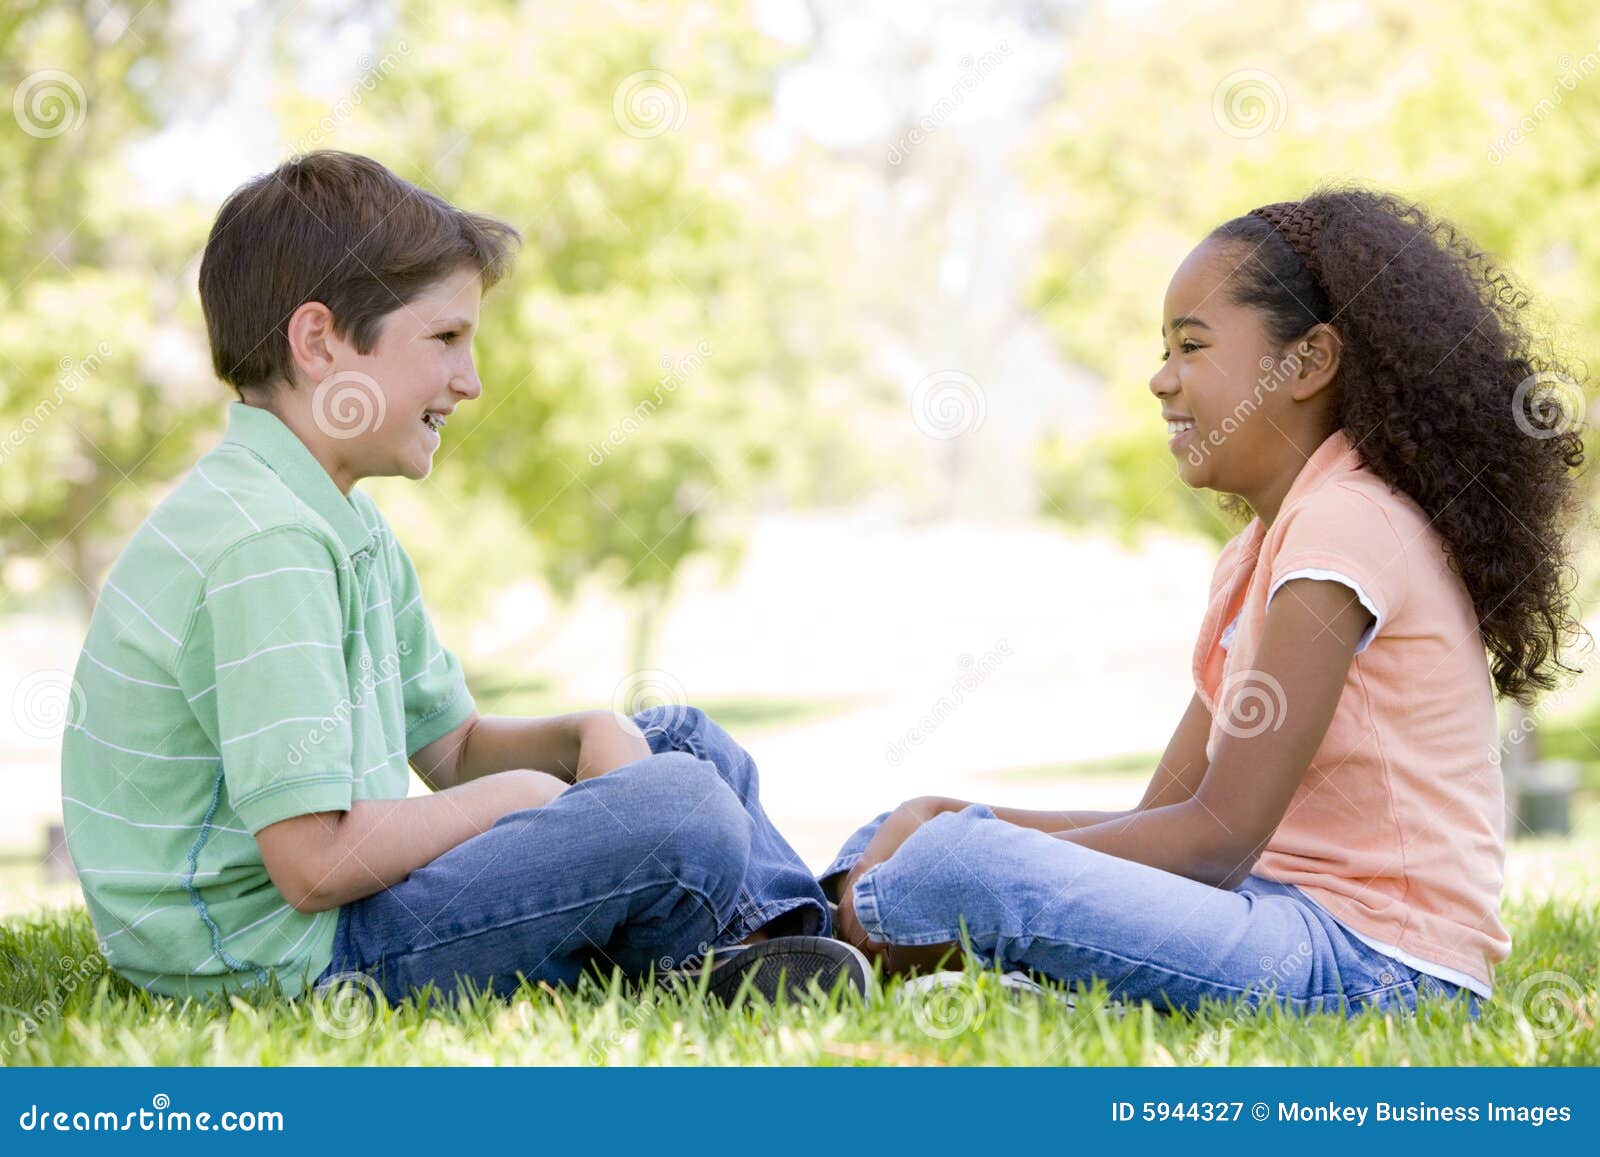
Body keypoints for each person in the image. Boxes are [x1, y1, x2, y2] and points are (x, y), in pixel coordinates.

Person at [59, 151, 866, 1006]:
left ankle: (778, 947)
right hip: (295, 957)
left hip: (342, 906)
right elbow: (313, 862)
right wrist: (524, 795)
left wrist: (575, 738)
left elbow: (450, 750)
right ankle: (742, 954)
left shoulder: (341, 520)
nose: (469, 382)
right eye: (445, 338)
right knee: (678, 806)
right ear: (320, 341)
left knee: (680, 741)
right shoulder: (264, 543)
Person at [827, 188, 1587, 1017]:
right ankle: (833, 938)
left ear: (1307, 362)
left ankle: (831, 939)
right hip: (1277, 920)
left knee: (955, 864)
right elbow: (1163, 818)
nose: (1160, 379)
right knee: (900, 830)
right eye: (1164, 350)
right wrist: (943, 812)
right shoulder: (1259, 554)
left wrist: (966, 842)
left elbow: (1218, 839)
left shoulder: (1348, 524)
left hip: (1382, 967)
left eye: (1191, 346)